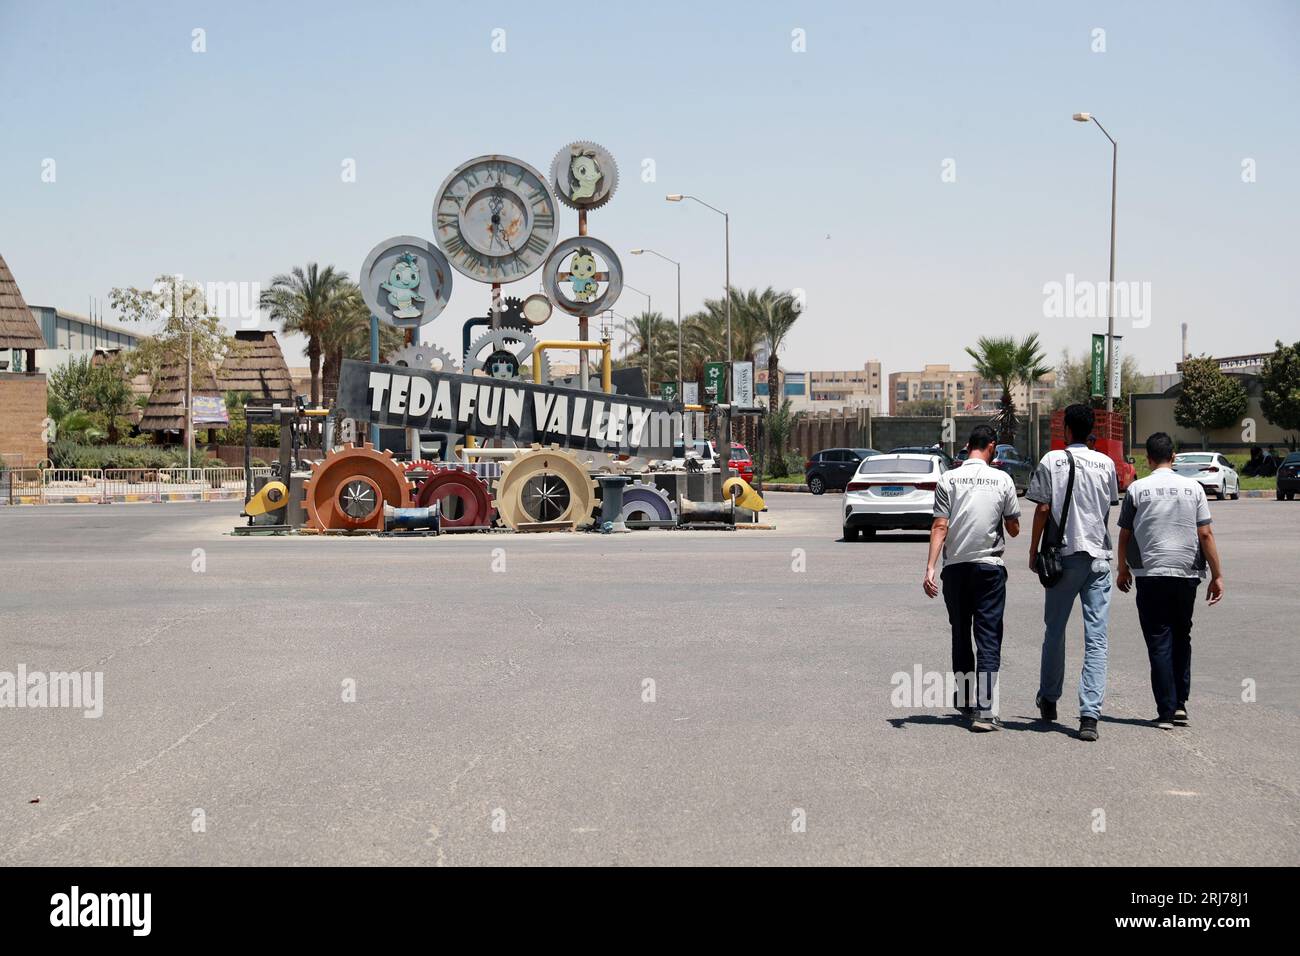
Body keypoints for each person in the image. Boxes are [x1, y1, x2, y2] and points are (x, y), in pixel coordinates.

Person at [1115, 432, 1225, 729]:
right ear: (1173, 457)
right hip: (1186, 574)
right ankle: (1180, 706)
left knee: (1158, 640)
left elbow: (1124, 533)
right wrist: (1217, 575)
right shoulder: (1194, 489)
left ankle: (1165, 711)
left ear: (1148, 459)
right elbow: (1205, 534)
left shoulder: (1137, 489)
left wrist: (1122, 569)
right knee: (1181, 636)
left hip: (1150, 575)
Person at [1027, 404, 1119, 742]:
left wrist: (1034, 549)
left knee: (1055, 631)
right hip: (1098, 560)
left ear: (1066, 429)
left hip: (1063, 558)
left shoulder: (1052, 461)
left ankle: (1049, 699)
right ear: (1091, 429)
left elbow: (1042, 508)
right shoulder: (1106, 463)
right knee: (1096, 638)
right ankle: (1089, 715)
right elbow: (1108, 504)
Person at [923, 424, 1021, 732]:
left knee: (961, 633)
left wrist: (930, 567)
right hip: (989, 568)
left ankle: (965, 699)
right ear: (992, 446)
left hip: (955, 569)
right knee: (988, 637)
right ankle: (984, 711)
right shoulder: (1003, 479)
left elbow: (940, 526)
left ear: (967, 446)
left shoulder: (948, 478)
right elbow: (1014, 528)